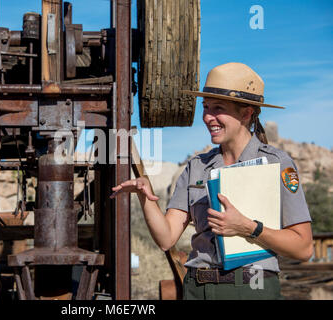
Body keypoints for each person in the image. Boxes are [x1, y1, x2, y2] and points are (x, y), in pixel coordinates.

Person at [110, 62, 313, 300]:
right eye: (206, 107)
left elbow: (304, 248)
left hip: (252, 290)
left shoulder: (277, 164)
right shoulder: (197, 166)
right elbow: (166, 239)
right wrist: (146, 197)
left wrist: (249, 227)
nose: (208, 117)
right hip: (197, 289)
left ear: (246, 113)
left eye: (218, 108)